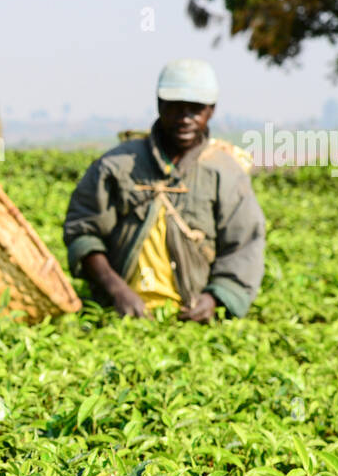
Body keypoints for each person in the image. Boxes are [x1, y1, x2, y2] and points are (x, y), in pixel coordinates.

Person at [63, 59, 266, 322]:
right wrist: (117, 291)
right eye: (175, 107)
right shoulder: (117, 166)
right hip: (119, 316)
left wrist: (215, 298)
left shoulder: (225, 173)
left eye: (196, 109)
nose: (185, 118)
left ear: (211, 110)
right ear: (160, 104)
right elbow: (83, 232)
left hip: (193, 321)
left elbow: (244, 246)